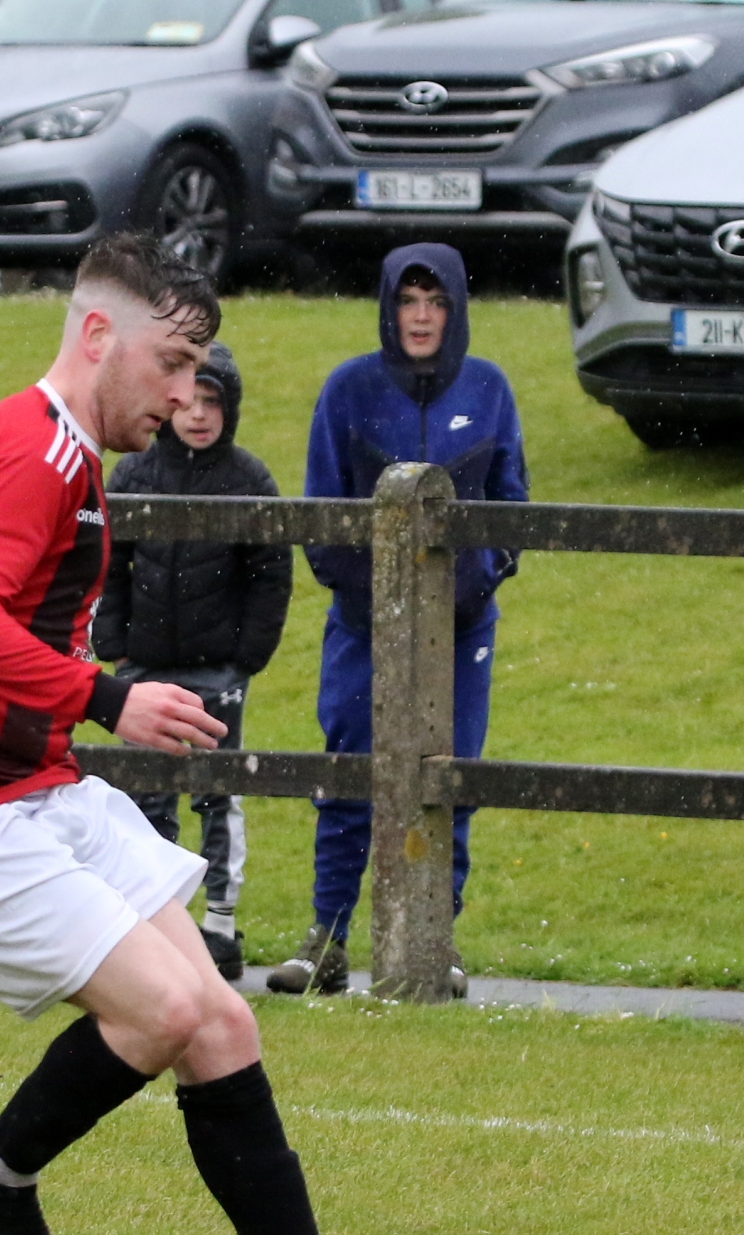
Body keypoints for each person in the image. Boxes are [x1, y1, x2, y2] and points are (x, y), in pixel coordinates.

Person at [0, 231, 464, 1235]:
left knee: (219, 1017)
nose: (190, 394)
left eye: (199, 371)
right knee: (165, 1013)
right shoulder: (34, 454)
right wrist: (105, 696)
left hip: (32, 788)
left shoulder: (73, 458)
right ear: (98, 337)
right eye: (173, 363)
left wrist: (88, 707)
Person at [266, 243, 526, 1000]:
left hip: (464, 625)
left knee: (451, 774)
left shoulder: (490, 388)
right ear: (388, 307)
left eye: (435, 302)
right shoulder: (347, 391)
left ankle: (431, 942)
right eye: (408, 301)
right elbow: (322, 510)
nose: (420, 317)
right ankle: (329, 937)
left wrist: (472, 583)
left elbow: (513, 507)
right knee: (350, 766)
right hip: (362, 622)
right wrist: (377, 598)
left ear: (455, 310)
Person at [93, 339, 290, 983]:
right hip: (144, 666)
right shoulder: (134, 475)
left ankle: (222, 926)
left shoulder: (250, 480)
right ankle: (156, 919)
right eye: (192, 400)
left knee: (215, 794)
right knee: (145, 798)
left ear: (230, 409)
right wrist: (113, 642)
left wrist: (246, 657)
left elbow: (270, 576)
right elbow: (110, 563)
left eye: (215, 402)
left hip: (218, 672)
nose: (200, 414)